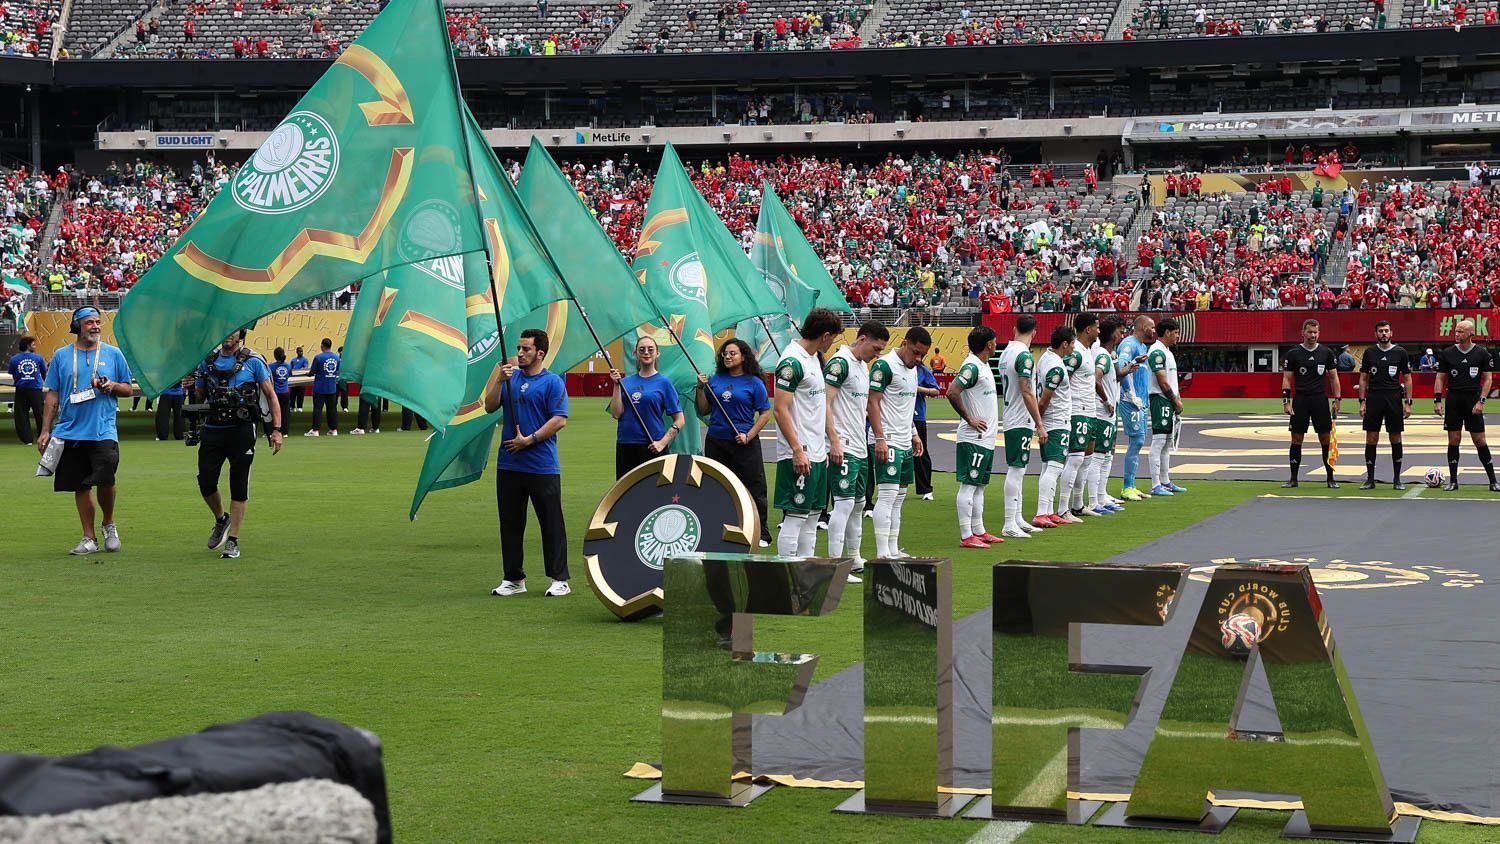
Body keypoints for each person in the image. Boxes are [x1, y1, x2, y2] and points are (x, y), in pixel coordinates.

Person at [38, 307, 133, 555]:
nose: (95, 326)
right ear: (77, 326)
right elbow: (53, 395)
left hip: (103, 429)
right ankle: (89, 537)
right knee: (81, 485)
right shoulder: (61, 355)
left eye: (98, 322)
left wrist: (111, 386)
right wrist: (45, 430)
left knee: (106, 478)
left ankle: (108, 523)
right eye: (89, 322)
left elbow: (128, 389)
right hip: (69, 430)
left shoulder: (113, 354)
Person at [484, 328, 572, 597]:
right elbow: (489, 406)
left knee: (551, 522)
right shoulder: (509, 378)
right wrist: (498, 380)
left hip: (542, 464)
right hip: (509, 464)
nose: (520, 353)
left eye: (526, 349)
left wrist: (529, 439)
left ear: (540, 353)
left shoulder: (553, 382)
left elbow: (560, 419)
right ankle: (513, 579)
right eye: (519, 348)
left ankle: (559, 578)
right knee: (510, 523)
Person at [194, 329, 283, 559]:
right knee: (205, 481)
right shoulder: (207, 361)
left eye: (232, 330)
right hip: (213, 429)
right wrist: (196, 382)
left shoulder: (253, 361)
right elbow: (199, 396)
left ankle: (233, 540)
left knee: (239, 484)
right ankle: (221, 519)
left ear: (241, 333)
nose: (227, 334)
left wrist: (276, 429)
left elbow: (271, 395)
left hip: (241, 431)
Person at [772, 307, 842, 556]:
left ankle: (805, 574)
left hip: (817, 451)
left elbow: (819, 405)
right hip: (800, 452)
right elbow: (780, 410)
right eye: (833, 337)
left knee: (812, 517)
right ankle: (786, 576)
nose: (833, 342)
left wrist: (832, 440)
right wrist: (796, 450)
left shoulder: (813, 358)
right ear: (825, 335)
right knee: (796, 516)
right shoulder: (791, 362)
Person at [823, 320, 889, 577]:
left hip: (860, 446)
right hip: (844, 446)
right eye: (876, 347)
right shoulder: (839, 363)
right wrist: (835, 441)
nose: (878, 354)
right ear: (862, 339)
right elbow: (825, 403)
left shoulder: (862, 366)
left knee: (859, 504)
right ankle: (835, 565)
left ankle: (854, 557)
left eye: (881, 349)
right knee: (843, 504)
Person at [695, 338, 774, 548]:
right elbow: (703, 410)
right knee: (716, 485)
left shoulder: (753, 382)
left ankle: (761, 532)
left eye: (733, 353)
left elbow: (765, 413)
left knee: (754, 486)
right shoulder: (716, 379)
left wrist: (749, 434)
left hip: (744, 443)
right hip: (716, 441)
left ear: (743, 356)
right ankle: (717, 527)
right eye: (725, 354)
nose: (728, 357)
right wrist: (700, 389)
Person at [869, 325, 931, 557]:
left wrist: (914, 434)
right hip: (888, 440)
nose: (918, 358)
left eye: (922, 355)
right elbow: (872, 403)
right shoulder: (884, 365)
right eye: (915, 352)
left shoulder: (913, 369)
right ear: (904, 343)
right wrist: (880, 438)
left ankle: (893, 548)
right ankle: (882, 552)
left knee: (899, 497)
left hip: (904, 439)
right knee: (887, 495)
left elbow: (905, 407)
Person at [947, 325, 1004, 549]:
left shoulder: (983, 364)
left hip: (985, 437)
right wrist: (969, 418)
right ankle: (965, 534)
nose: (997, 342)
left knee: (979, 485)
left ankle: (978, 530)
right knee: (969, 485)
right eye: (995, 339)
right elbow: (952, 391)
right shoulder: (972, 366)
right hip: (974, 437)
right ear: (989, 344)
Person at [996, 315, 1046, 538]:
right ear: (1034, 332)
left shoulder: (1006, 352)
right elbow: (1027, 391)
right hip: (1019, 417)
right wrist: (1039, 423)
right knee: (1016, 469)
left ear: (1015, 328)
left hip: (1011, 413)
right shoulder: (1024, 356)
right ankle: (1009, 522)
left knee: (1021, 468)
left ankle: (1017, 518)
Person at [1433, 319, 1497, 491]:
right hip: (1453, 399)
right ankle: (1453, 481)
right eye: (1456, 330)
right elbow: (1440, 377)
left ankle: (1493, 480)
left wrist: (1481, 401)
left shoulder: (1482, 354)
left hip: (1472, 399)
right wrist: (1437, 400)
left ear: (1470, 334)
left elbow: (1488, 379)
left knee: (1479, 440)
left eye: (1461, 331)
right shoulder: (1447, 353)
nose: (1457, 333)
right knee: (1454, 439)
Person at [609, 335, 684, 478]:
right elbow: (616, 414)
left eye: (650, 349)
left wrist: (663, 442)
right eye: (641, 349)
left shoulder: (664, 383)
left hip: (652, 445)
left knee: (654, 494)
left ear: (657, 353)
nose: (646, 352)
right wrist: (616, 385)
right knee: (627, 492)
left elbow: (680, 419)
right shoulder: (625, 383)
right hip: (626, 443)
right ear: (635, 353)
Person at [1280, 318, 1341, 489]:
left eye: (1315, 332)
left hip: (1320, 399)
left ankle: (1330, 478)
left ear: (1319, 333)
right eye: (1309, 332)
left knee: (1325, 439)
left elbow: (1334, 377)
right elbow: (1287, 378)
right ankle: (1293, 478)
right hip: (1301, 399)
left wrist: (1337, 399)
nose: (1312, 335)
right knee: (1297, 438)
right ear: (1303, 332)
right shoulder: (1293, 354)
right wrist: (1286, 401)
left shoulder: (1326, 352)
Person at [1088, 315, 1136, 514]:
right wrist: (1106, 400)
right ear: (1112, 333)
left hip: (1108, 411)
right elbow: (1096, 379)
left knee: (1106, 455)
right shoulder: (1102, 355)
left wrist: (1127, 368)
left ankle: (1101, 495)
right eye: (1120, 331)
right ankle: (1094, 501)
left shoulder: (1109, 354)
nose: (1122, 334)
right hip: (1102, 412)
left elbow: (1111, 377)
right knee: (1099, 456)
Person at [1358, 320, 1412, 489]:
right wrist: (1362, 401)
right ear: (1376, 334)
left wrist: (1408, 402)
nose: (1384, 333)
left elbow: (1408, 378)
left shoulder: (1400, 352)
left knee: (1395, 437)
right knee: (1371, 437)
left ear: (1391, 333)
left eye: (1386, 331)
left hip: (1393, 398)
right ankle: (1370, 479)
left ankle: (1397, 479)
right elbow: (1363, 378)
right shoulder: (1369, 353)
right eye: (1380, 331)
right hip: (1374, 397)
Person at [1032, 325, 1077, 528]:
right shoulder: (1056, 367)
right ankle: (1042, 512)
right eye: (1073, 342)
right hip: (1056, 421)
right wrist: (1039, 423)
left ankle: (1048, 511)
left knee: (1048, 466)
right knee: (1055, 467)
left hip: (1052, 420)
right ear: (1065, 344)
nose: (1074, 347)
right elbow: (1044, 400)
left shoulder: (1045, 359)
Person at [1060, 313, 1101, 521]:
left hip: (1090, 410)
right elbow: (1062, 378)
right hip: (1078, 410)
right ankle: (1062, 509)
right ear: (1087, 329)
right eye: (1096, 327)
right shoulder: (1075, 353)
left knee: (1087, 459)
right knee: (1075, 458)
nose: (1099, 330)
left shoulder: (1087, 351)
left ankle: (1077, 504)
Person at [1115, 316, 1155, 501]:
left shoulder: (1142, 346)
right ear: (1143, 327)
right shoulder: (1128, 344)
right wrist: (1130, 393)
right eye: (1152, 327)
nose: (1153, 331)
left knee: (1139, 441)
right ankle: (1127, 486)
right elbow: (1122, 367)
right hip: (1131, 401)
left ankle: (1131, 484)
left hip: (1140, 402)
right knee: (1137, 440)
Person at [1146, 317, 1186, 496]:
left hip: (1167, 399)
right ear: (1167, 332)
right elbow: (1162, 381)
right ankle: (1155, 484)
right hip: (1160, 399)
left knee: (1167, 441)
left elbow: (1169, 380)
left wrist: (1177, 397)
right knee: (1159, 441)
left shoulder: (1167, 351)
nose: (1178, 336)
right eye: (1176, 332)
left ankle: (1165, 480)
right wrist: (1175, 400)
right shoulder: (1157, 352)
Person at [8, 335, 46, 444]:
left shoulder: (14, 359)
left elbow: (14, 375)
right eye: (33, 344)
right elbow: (44, 373)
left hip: (21, 390)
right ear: (28, 345)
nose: (35, 346)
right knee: (40, 414)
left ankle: (27, 439)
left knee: (21, 415)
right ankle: (43, 436)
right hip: (35, 389)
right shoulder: (38, 358)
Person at [912, 361, 939, 500]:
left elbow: (936, 390)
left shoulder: (923, 371)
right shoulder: (896, 367)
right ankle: (894, 485)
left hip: (918, 416)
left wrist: (919, 389)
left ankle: (925, 489)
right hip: (897, 416)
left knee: (920, 452)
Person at [306, 338, 340, 436]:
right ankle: (333, 429)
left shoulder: (318, 357)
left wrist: (308, 374)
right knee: (332, 409)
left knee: (317, 409)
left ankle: (315, 430)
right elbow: (337, 370)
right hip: (332, 387)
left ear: (322, 346)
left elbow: (313, 371)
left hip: (320, 388)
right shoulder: (336, 358)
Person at [268, 347, 293, 437]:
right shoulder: (288, 365)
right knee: (285, 412)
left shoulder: (271, 366)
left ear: (275, 356)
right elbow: (290, 374)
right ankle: (285, 432)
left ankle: (273, 430)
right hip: (285, 391)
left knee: (273, 411)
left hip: (275, 392)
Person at [155, 374, 187, 441]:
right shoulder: (179, 366)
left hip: (166, 393)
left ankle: (162, 436)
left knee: (163, 416)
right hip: (178, 393)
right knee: (179, 416)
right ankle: (179, 435)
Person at [290, 346, 310, 411]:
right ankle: (292, 407)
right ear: (296, 352)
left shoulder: (305, 359)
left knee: (300, 394)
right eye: (299, 351)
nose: (301, 352)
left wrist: (298, 371)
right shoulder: (293, 360)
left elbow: (305, 368)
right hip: (294, 379)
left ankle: (299, 407)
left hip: (301, 379)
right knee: (293, 394)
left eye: (302, 351)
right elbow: (291, 368)